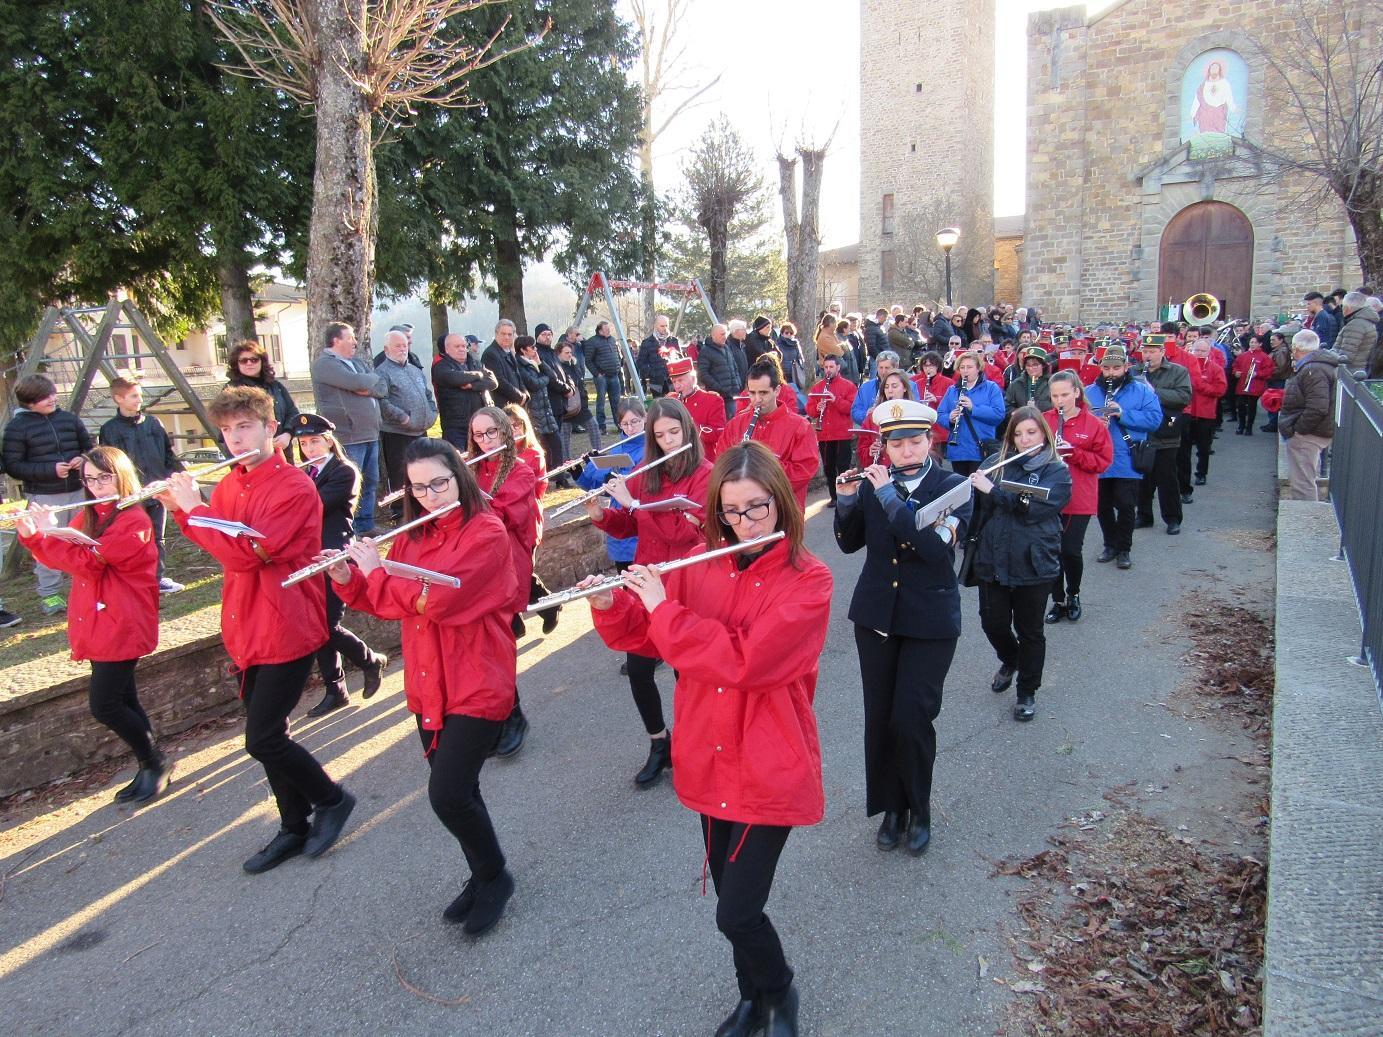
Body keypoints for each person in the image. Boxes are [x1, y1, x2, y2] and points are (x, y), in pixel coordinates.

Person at [586, 442, 831, 1037]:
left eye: (756, 509)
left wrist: (662, 612)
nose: (744, 523)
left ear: (781, 503)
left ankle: (780, 992)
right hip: (708, 751)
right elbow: (650, 641)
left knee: (737, 911)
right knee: (729, 897)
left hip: (768, 757)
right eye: (730, 512)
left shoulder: (810, 580)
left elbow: (747, 662)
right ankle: (752, 999)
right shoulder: (699, 561)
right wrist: (612, 606)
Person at [329, 438, 518, 935]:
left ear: (459, 477)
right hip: (428, 680)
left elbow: (437, 603)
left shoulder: (487, 532)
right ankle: (482, 872)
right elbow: (384, 600)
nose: (431, 495)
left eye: (440, 482)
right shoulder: (413, 536)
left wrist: (380, 575)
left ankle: (496, 877)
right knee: (462, 790)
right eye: (419, 487)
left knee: (448, 794)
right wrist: (349, 576)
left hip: (477, 678)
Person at [162, 386, 354, 874]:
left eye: (244, 427)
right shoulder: (231, 485)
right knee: (271, 735)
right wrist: (190, 509)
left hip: (285, 624)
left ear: (272, 430)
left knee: (262, 738)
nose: (233, 438)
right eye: (226, 430)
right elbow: (219, 545)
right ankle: (293, 826)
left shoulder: (293, 487)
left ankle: (332, 799)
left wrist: (192, 510)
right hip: (246, 625)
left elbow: (248, 552)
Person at [834, 399, 971, 857]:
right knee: (881, 719)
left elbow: (934, 549)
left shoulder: (954, 486)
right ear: (884, 446)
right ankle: (891, 807)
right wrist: (849, 499)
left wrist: (889, 497)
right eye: (897, 444)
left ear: (929, 441)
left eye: (915, 441)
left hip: (929, 620)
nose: (907, 451)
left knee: (912, 718)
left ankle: (920, 806)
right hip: (876, 617)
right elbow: (851, 544)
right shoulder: (876, 484)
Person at [15, 446, 167, 802]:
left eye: (104, 477)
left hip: (122, 621)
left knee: (105, 705)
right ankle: (151, 765)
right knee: (124, 698)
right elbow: (66, 559)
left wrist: (46, 535)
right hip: (99, 619)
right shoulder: (89, 514)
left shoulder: (134, 520)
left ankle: (155, 761)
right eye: (90, 479)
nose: (97, 486)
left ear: (121, 476)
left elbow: (90, 562)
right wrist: (38, 534)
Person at [583, 398, 711, 788]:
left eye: (675, 432)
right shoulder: (646, 471)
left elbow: (684, 534)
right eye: (660, 435)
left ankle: (698, 749)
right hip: (644, 579)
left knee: (684, 673)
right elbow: (630, 525)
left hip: (685, 583)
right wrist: (602, 513)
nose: (670, 441)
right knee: (639, 670)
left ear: (687, 430)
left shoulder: (705, 474)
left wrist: (635, 501)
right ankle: (660, 743)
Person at [969, 408, 1072, 721]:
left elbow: (1034, 510)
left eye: (1031, 432)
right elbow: (977, 506)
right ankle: (1011, 659)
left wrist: (994, 491)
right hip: (993, 558)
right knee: (992, 622)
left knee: (1030, 631)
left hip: (1034, 561)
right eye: (1018, 434)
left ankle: (1027, 690)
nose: (1025, 440)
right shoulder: (996, 465)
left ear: (1043, 433)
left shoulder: (1057, 471)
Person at [290, 413, 386, 718]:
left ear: (329, 440)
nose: (309, 449)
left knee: (326, 624)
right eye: (303, 443)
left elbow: (311, 507)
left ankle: (370, 660)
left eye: (315, 441)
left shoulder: (343, 471)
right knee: (316, 624)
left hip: (335, 554)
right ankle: (337, 689)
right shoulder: (302, 472)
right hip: (307, 555)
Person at [467, 406, 539, 756]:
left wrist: (470, 500)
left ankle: (513, 714)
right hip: (473, 567)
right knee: (483, 648)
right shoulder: (471, 469)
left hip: (505, 565)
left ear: (505, 433)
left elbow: (506, 516)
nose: (484, 442)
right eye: (478, 436)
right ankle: (496, 712)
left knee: (498, 646)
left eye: (490, 434)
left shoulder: (521, 471)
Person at [2, 373, 93, 614]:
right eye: (44, 397)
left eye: (52, 393)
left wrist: (83, 459)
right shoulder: (17, 427)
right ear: (29, 402)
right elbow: (13, 465)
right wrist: (49, 470)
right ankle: (51, 594)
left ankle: (85, 584)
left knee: (84, 539)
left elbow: (90, 446)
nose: (52, 399)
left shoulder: (68, 419)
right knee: (47, 543)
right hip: (44, 496)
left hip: (79, 490)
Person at [98, 376, 186, 593]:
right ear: (118, 398)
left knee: (157, 534)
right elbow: (108, 463)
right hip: (131, 493)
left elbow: (167, 453)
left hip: (157, 488)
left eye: (140, 394)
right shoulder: (109, 429)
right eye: (134, 395)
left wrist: (177, 475)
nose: (140, 399)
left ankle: (158, 577)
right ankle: (135, 578)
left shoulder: (153, 423)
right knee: (133, 536)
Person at [1043, 372, 1112, 624]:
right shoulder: (1045, 420)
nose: (1059, 400)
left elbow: (1103, 462)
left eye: (1064, 394)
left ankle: (1073, 594)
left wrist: (1075, 454)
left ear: (1076, 393)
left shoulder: (1092, 424)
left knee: (1070, 550)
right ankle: (1057, 599)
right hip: (1048, 497)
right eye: (1054, 396)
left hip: (1078, 497)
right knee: (1051, 550)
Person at [1085, 347, 1162, 570]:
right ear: (1100, 368)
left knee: (1127, 505)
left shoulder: (1142, 391)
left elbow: (1155, 420)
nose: (1111, 373)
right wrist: (1093, 425)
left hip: (1127, 456)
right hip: (1098, 457)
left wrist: (1123, 414)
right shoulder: (1089, 391)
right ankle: (1110, 544)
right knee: (1102, 506)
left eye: (1116, 368)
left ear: (1126, 367)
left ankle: (1124, 548)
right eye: (1106, 368)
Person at [311, 321, 387, 534]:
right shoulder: (325, 364)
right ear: (336, 340)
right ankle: (348, 527)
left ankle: (366, 524)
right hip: (349, 435)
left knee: (371, 480)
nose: (355, 342)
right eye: (350, 337)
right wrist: (365, 383)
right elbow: (357, 383)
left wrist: (368, 385)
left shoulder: (357, 363)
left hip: (370, 432)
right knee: (351, 481)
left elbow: (381, 386)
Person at [718, 360, 819, 509]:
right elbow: (721, 463)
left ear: (777, 391)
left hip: (784, 512)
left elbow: (804, 471)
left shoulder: (800, 427)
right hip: (743, 512)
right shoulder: (735, 425)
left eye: (763, 393)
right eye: (752, 393)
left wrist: (759, 465)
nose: (757, 400)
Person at [377, 329, 439, 521]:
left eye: (405, 345)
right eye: (398, 346)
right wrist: (402, 417)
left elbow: (427, 395)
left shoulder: (414, 369)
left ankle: (422, 506)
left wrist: (432, 413)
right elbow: (382, 401)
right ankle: (402, 511)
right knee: (400, 473)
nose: (402, 349)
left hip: (421, 431)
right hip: (397, 433)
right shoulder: (382, 372)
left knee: (423, 468)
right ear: (387, 349)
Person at [1134, 338, 1191, 535]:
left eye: (1151, 351)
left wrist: (1154, 392)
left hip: (1166, 431)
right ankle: (1144, 515)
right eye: (1145, 351)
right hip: (1141, 432)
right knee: (1142, 478)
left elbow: (1184, 397)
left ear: (1161, 351)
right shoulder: (1135, 371)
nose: (1147, 356)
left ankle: (1173, 518)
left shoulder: (1178, 371)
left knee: (1167, 478)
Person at [1279, 329, 1341, 501]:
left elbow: (1318, 407)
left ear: (1296, 348)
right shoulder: (1316, 367)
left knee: (1303, 482)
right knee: (1305, 477)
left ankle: (1305, 517)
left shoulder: (1314, 369)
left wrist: (1298, 430)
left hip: (1308, 434)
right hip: (1311, 431)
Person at [937, 351, 1005, 477]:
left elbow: (999, 414)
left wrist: (974, 408)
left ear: (978, 368)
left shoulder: (991, 388)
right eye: (962, 367)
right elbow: (940, 414)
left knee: (978, 491)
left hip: (980, 449)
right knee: (962, 489)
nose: (965, 371)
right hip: (958, 450)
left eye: (969, 367)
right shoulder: (953, 390)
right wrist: (950, 418)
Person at [1176, 335, 1228, 499]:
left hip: (1205, 413)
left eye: (1203, 350)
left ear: (1209, 351)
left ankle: (1201, 472)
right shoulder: (1185, 367)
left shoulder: (1215, 369)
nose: (1199, 353)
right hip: (1188, 413)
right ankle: (1183, 478)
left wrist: (1201, 386)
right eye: (1196, 350)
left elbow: (1220, 390)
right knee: (1184, 450)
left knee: (1203, 447)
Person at [225, 340, 299, 452]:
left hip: (282, 450)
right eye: (244, 361)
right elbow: (226, 425)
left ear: (261, 361)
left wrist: (288, 434)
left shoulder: (275, 386)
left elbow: (293, 413)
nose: (249, 363)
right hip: (249, 453)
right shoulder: (230, 390)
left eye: (254, 360)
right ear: (237, 364)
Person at [433, 332, 496, 453]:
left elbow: (493, 382)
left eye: (464, 346)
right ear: (447, 349)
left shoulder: (474, 362)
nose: (462, 349)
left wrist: (473, 385)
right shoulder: (441, 366)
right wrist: (478, 374)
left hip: (480, 424)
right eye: (457, 346)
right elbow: (456, 378)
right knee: (461, 463)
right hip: (456, 428)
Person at [809, 355, 858, 507]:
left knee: (842, 466)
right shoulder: (818, 387)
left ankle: (845, 495)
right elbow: (810, 410)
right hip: (824, 434)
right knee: (828, 467)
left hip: (842, 434)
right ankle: (833, 497)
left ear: (838, 367)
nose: (828, 370)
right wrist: (817, 409)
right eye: (826, 367)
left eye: (831, 367)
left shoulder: (848, 386)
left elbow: (851, 408)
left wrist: (835, 400)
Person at [515, 335, 563, 478]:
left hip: (546, 409)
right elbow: (534, 384)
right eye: (532, 347)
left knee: (556, 443)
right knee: (540, 447)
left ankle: (559, 475)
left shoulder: (535, 362)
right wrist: (545, 379)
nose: (535, 350)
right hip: (534, 411)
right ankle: (542, 475)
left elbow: (552, 375)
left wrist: (540, 363)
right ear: (523, 350)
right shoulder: (520, 365)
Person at [668, 354, 727, 459]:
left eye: (680, 380)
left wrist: (691, 425)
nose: (676, 386)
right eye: (674, 382)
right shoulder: (671, 400)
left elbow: (719, 433)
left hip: (702, 459)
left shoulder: (713, 400)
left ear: (693, 378)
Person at [556, 340, 600, 461]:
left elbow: (581, 385)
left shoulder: (574, 365)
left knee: (594, 427)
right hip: (566, 406)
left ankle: (598, 454)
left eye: (570, 352)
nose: (569, 355)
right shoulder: (557, 368)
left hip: (580, 406)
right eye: (566, 352)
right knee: (565, 436)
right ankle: (567, 462)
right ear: (559, 353)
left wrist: (584, 401)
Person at [698, 323, 749, 418]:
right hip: (720, 397)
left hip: (733, 394)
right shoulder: (706, 351)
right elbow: (703, 374)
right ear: (713, 335)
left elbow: (734, 367)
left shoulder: (726, 348)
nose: (725, 337)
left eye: (725, 333)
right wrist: (719, 388)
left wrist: (738, 383)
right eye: (722, 334)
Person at [583, 320, 626, 432]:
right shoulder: (592, 342)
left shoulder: (612, 340)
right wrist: (597, 373)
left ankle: (619, 425)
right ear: (600, 330)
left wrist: (618, 367)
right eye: (607, 329)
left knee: (616, 402)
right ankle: (602, 427)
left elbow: (617, 354)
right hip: (602, 377)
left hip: (614, 375)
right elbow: (588, 361)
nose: (609, 331)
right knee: (601, 402)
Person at [481, 319, 529, 411]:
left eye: (509, 334)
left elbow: (518, 377)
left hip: (515, 405)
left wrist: (525, 395)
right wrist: (520, 397)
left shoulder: (509, 352)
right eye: (503, 334)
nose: (507, 337)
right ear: (496, 334)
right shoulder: (490, 354)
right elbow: (500, 381)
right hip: (502, 406)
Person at [1230, 333, 1272, 435]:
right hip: (1242, 385)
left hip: (1255, 386)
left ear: (1260, 344)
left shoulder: (1264, 357)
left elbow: (1268, 372)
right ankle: (1241, 425)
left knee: (1252, 407)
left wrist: (1258, 374)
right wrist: (1236, 372)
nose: (1252, 344)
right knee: (1240, 406)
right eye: (1251, 342)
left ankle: (1249, 427)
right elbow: (1235, 366)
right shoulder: (1243, 355)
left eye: (1255, 342)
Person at [1334, 291, 1380, 369]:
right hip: (1359, 369)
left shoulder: (1356, 325)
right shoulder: (1365, 321)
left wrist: (1328, 357)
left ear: (1347, 308)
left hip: (1350, 372)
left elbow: (1345, 356)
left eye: (1342, 306)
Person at [1002, 346, 1053, 414]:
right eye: (1028, 365)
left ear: (1043, 365)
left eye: (1035, 365)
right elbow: (1006, 405)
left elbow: (1056, 405)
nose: (1031, 368)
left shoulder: (1052, 383)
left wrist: (1036, 407)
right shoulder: (1017, 383)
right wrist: (1017, 412)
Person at [637, 314, 677, 396]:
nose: (665, 328)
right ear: (656, 326)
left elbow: (680, 358)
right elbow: (640, 362)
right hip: (656, 383)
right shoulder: (647, 343)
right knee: (658, 407)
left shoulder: (673, 341)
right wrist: (652, 373)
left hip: (673, 381)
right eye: (662, 326)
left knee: (673, 406)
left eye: (666, 325)